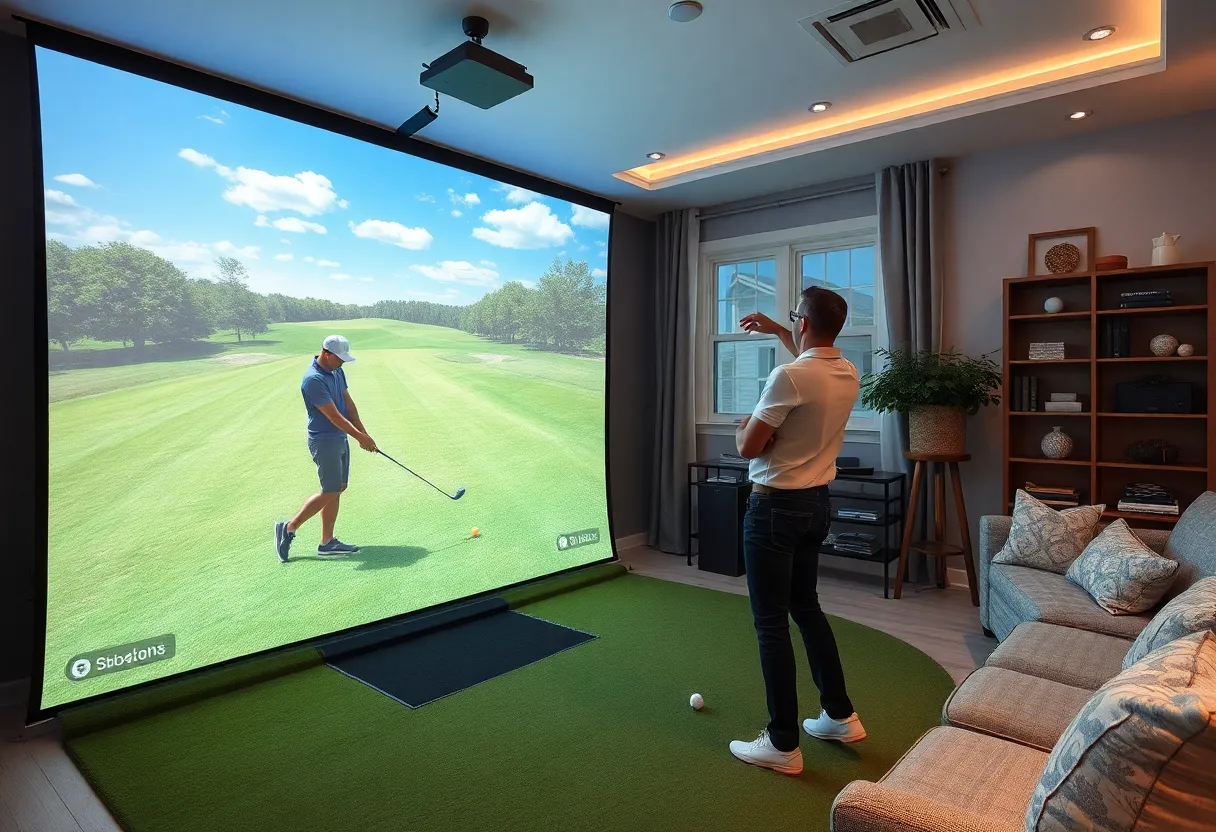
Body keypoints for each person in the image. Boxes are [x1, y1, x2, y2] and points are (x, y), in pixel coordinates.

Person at [727, 286, 867, 776]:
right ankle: (839, 715)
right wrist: (779, 330)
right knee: (805, 607)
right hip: (815, 507)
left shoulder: (787, 376)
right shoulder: (845, 371)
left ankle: (782, 743)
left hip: (773, 511)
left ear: (804, 323)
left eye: (793, 320)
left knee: (771, 624)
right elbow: (810, 361)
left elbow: (749, 448)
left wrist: (744, 424)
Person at [275, 335, 377, 563]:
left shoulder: (336, 371)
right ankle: (289, 527)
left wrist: (364, 433)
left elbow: (348, 405)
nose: (342, 363)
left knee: (339, 487)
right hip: (324, 440)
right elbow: (333, 416)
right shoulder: (313, 379)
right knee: (330, 489)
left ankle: (327, 542)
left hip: (339, 438)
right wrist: (360, 437)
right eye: (339, 358)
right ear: (326, 353)